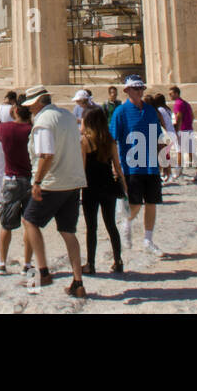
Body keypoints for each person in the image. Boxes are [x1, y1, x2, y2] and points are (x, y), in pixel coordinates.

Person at [21, 86, 88, 298]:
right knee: (68, 231)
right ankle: (78, 282)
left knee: (29, 221)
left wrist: (37, 181)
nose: (30, 110)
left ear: (39, 103)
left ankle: (41, 272)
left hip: (52, 182)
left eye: (31, 106)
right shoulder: (68, 115)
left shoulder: (43, 122)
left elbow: (46, 155)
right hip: (73, 181)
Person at [108, 75, 166, 255]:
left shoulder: (149, 110)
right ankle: (127, 223)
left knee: (152, 202)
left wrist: (162, 159)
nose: (140, 91)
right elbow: (112, 140)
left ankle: (148, 240)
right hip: (131, 165)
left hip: (150, 164)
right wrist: (114, 166)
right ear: (126, 90)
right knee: (135, 203)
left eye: (141, 88)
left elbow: (157, 136)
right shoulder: (120, 112)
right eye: (135, 88)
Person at [80, 107, 125, 274]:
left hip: (90, 187)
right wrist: (124, 185)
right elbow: (117, 166)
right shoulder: (109, 139)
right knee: (111, 224)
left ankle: (90, 264)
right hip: (108, 186)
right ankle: (118, 260)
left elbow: (82, 167)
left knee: (91, 227)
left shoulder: (85, 141)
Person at [0, 103, 34, 275]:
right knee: (30, 224)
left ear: (15, 111)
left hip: (11, 180)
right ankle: (26, 264)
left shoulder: (4, 128)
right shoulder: (31, 131)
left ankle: (2, 263)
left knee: (6, 224)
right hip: (30, 179)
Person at [0, 91, 18, 204]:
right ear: (13, 100)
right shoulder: (13, 109)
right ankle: (9, 192)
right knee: (10, 167)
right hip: (10, 140)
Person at [169, 86, 197, 181]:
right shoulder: (185, 103)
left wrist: (177, 130)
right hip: (189, 129)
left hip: (183, 130)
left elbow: (179, 117)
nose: (170, 96)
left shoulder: (178, 104)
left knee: (179, 150)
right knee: (191, 151)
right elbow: (192, 116)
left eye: (171, 94)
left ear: (176, 93)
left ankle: (178, 171)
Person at [149, 92, 177, 182]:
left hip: (163, 135)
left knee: (163, 155)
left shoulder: (159, 110)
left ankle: (167, 173)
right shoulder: (166, 109)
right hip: (169, 133)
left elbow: (162, 123)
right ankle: (165, 173)